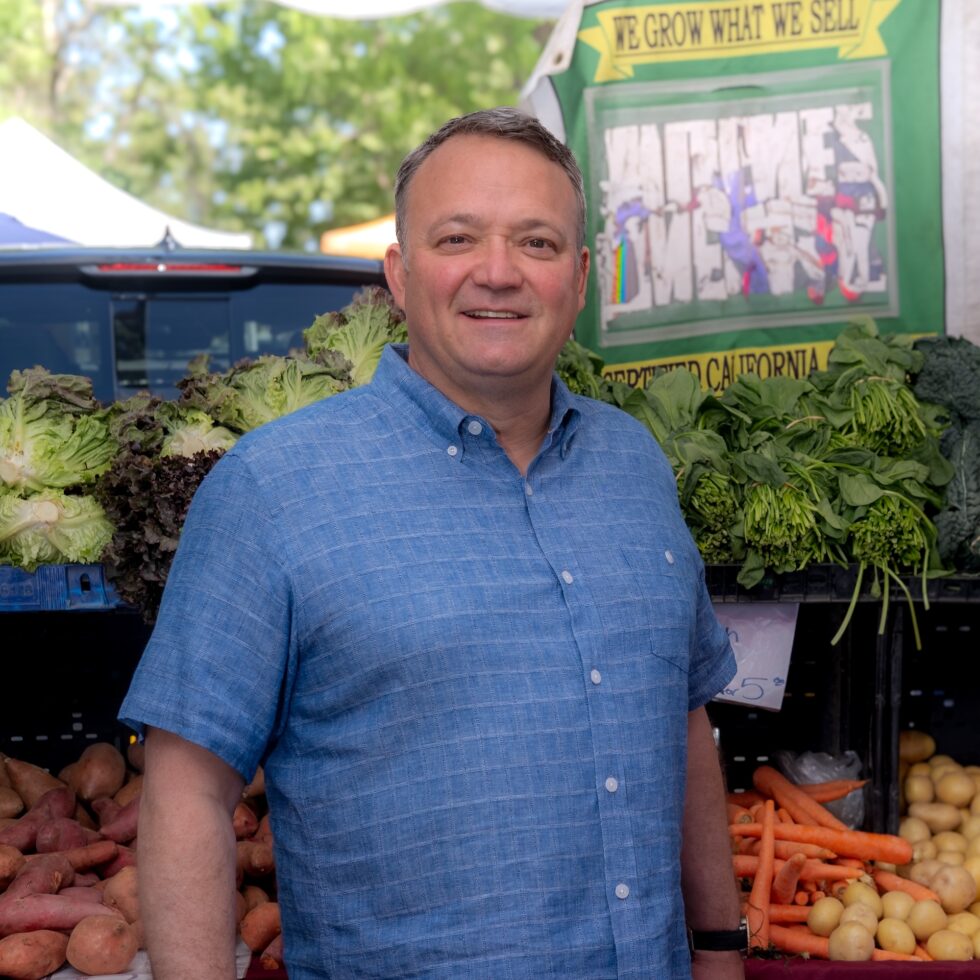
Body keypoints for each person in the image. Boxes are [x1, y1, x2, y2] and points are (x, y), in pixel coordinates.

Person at [119, 106, 745, 980]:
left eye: (536, 242)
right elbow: (187, 790)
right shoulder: (271, 489)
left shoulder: (633, 463)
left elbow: (683, 719)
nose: (498, 273)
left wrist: (719, 949)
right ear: (400, 277)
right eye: (458, 239)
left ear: (581, 276)